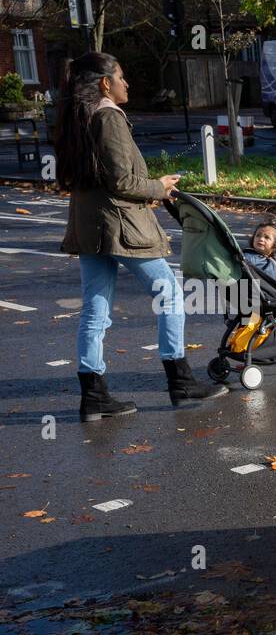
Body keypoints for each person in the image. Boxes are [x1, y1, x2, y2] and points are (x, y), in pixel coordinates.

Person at [56, 52, 227, 422]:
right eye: (122, 77)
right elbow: (121, 181)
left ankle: (93, 395)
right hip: (120, 226)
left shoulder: (77, 118)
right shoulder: (108, 117)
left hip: (89, 227)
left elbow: (94, 179)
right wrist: (159, 186)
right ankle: (180, 381)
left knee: (95, 310)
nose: (127, 84)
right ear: (106, 83)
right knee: (170, 293)